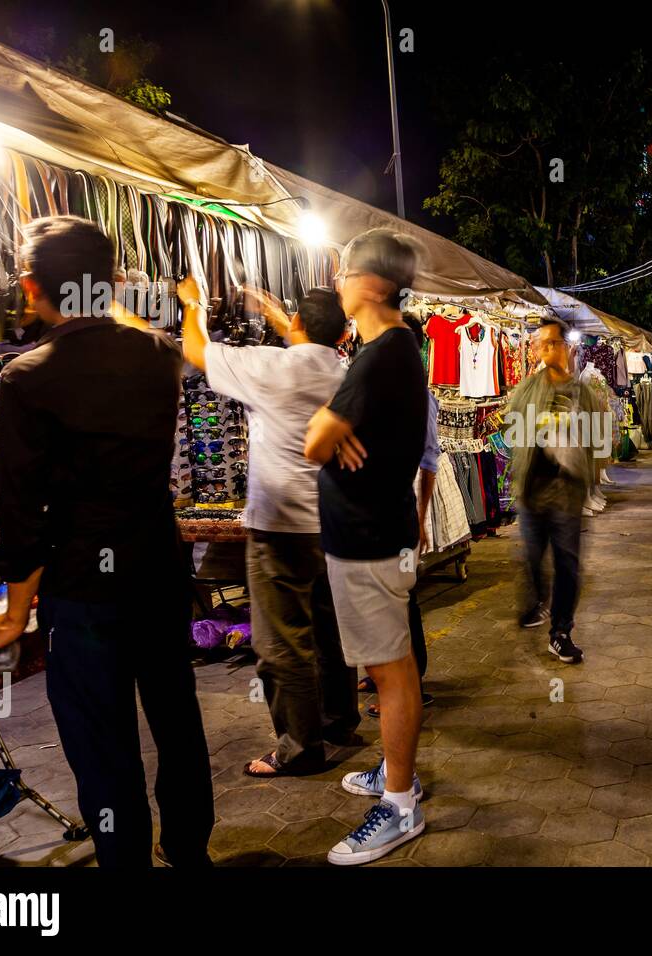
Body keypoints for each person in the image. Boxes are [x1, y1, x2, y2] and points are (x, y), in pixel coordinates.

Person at [0, 216, 213, 867]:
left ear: (29, 286)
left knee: (104, 750)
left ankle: (126, 860)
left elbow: (22, 514)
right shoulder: (158, 355)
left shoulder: (27, 376)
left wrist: (16, 613)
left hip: (81, 595)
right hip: (159, 576)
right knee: (176, 721)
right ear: (112, 280)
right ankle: (190, 853)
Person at [179, 281, 361, 777]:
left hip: (281, 528)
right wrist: (285, 319)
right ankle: (339, 720)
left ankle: (300, 749)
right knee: (329, 631)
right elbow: (312, 345)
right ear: (344, 333)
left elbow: (196, 348)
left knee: (282, 643)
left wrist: (193, 301)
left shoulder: (271, 366)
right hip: (331, 524)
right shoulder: (343, 370)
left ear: (300, 326)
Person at [303, 228, 428, 865]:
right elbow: (331, 431)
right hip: (381, 533)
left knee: (386, 671)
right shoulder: (392, 350)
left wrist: (331, 430)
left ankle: (401, 804)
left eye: (344, 268)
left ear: (372, 283)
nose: (337, 278)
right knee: (394, 664)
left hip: (371, 540)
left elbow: (314, 441)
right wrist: (336, 428)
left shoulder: (383, 353)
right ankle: (394, 768)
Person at [507, 316, 598, 664]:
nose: (544, 348)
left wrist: (584, 475)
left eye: (551, 342)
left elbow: (596, 441)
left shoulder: (583, 392)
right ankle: (537, 600)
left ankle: (561, 631)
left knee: (567, 565)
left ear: (565, 346)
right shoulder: (527, 389)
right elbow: (514, 429)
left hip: (566, 494)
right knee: (532, 558)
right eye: (539, 343)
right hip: (532, 492)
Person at [362, 315, 440, 719]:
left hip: (400, 513)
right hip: (377, 514)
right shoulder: (378, 391)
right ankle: (384, 674)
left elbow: (429, 464)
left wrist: (422, 520)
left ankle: (413, 682)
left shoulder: (421, 399)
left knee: (401, 601)